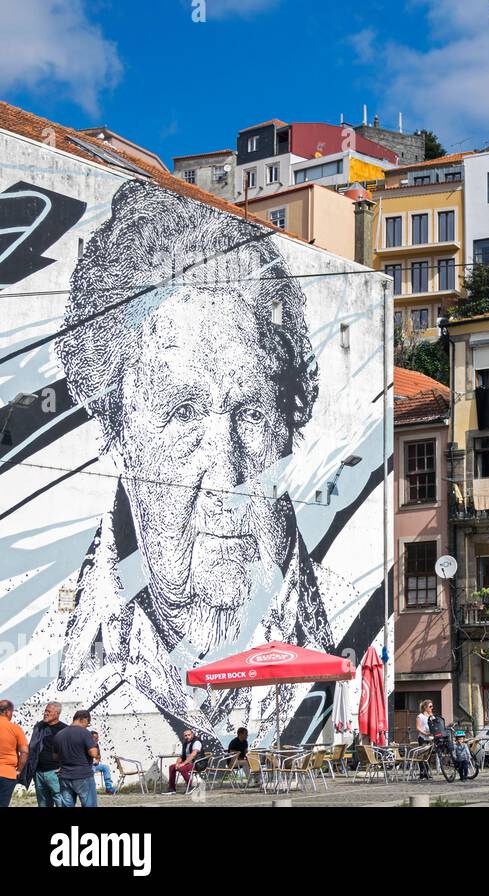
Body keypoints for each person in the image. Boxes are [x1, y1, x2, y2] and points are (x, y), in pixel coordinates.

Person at [30, 180, 361, 752]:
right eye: (183, 413)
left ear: (288, 424)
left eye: (252, 411)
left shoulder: (349, 619)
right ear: (117, 428)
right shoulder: (40, 640)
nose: (226, 473)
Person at [53, 710, 98, 807]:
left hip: (64, 776)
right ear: (84, 719)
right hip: (83, 775)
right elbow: (93, 753)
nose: (87, 725)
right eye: (88, 723)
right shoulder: (85, 733)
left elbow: (55, 756)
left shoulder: (59, 734)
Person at [26, 702, 66, 807]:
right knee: (43, 803)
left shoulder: (64, 729)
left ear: (57, 713)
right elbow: (33, 747)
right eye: (45, 711)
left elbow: (67, 751)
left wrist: (64, 767)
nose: (45, 713)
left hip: (55, 772)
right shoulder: (39, 727)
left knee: (60, 800)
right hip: (39, 772)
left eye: (49, 711)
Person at [0, 699, 29, 808]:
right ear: (8, 712)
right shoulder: (15, 728)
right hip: (7, 773)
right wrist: (19, 770)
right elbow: (24, 752)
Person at [165, 729, 204, 794]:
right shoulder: (185, 744)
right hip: (188, 763)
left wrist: (183, 764)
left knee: (182, 768)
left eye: (189, 735)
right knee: (172, 767)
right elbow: (182, 756)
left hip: (198, 763)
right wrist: (177, 763)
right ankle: (172, 789)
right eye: (185, 735)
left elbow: (193, 755)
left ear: (192, 735)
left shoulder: (196, 742)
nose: (187, 737)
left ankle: (190, 786)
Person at [415, 700, 435, 779]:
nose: (431, 708)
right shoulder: (420, 716)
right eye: (430, 706)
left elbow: (435, 725)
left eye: (432, 706)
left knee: (428, 756)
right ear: (425, 707)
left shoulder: (431, 716)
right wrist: (425, 733)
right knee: (422, 755)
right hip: (423, 737)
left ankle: (427, 772)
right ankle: (422, 772)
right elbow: (418, 727)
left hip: (430, 738)